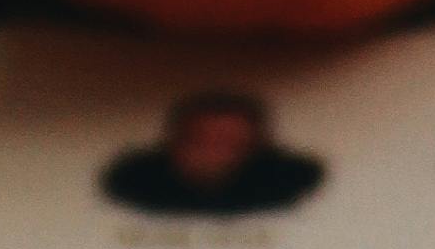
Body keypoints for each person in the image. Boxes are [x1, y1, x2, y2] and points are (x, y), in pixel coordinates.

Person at [98, 85, 326, 219]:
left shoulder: (289, 181)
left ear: (255, 147)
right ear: (175, 141)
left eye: (228, 142)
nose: (212, 151)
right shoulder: (133, 180)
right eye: (200, 139)